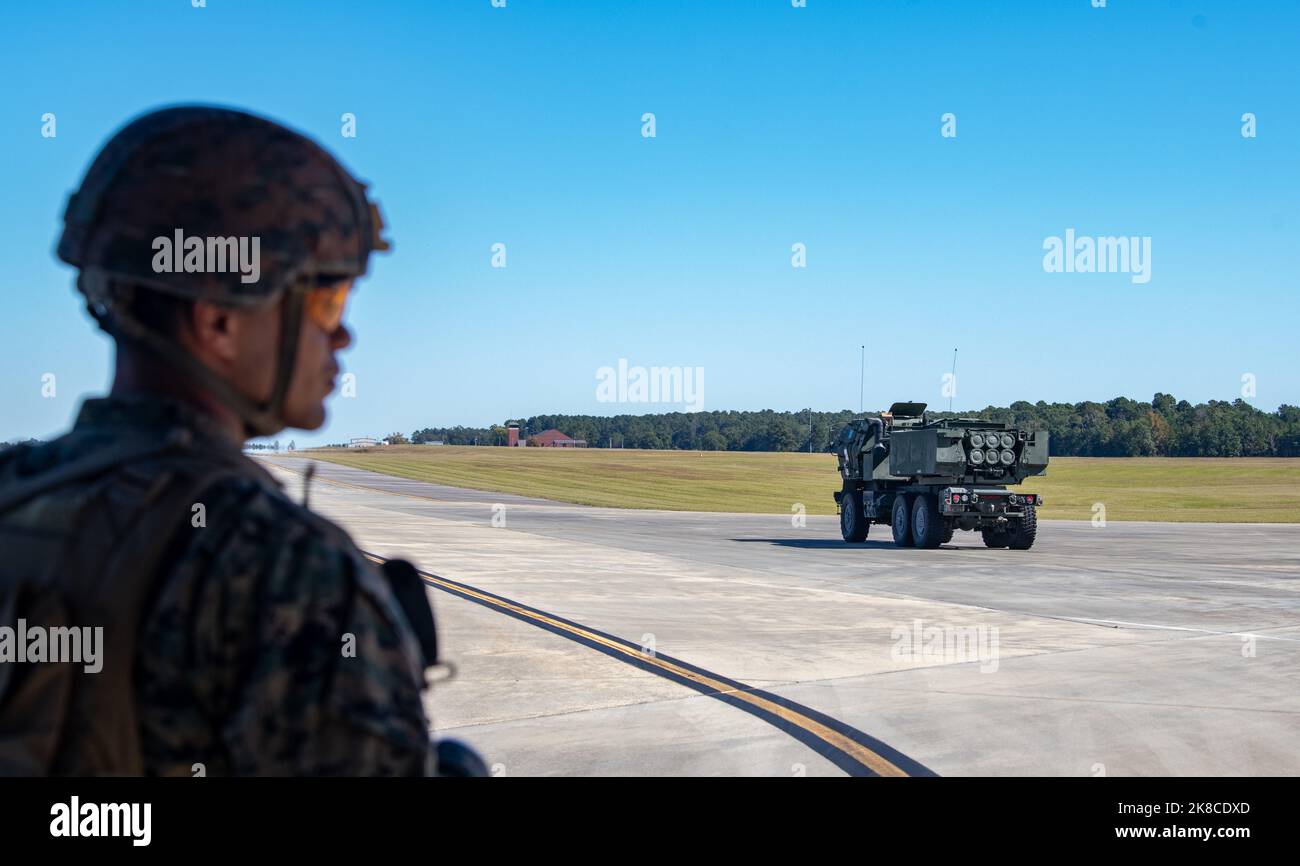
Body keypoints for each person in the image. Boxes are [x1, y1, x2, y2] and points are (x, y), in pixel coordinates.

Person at [0, 106, 467, 776]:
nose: (343, 338)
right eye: (325, 304)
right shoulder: (283, 568)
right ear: (218, 320)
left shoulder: (15, 494)